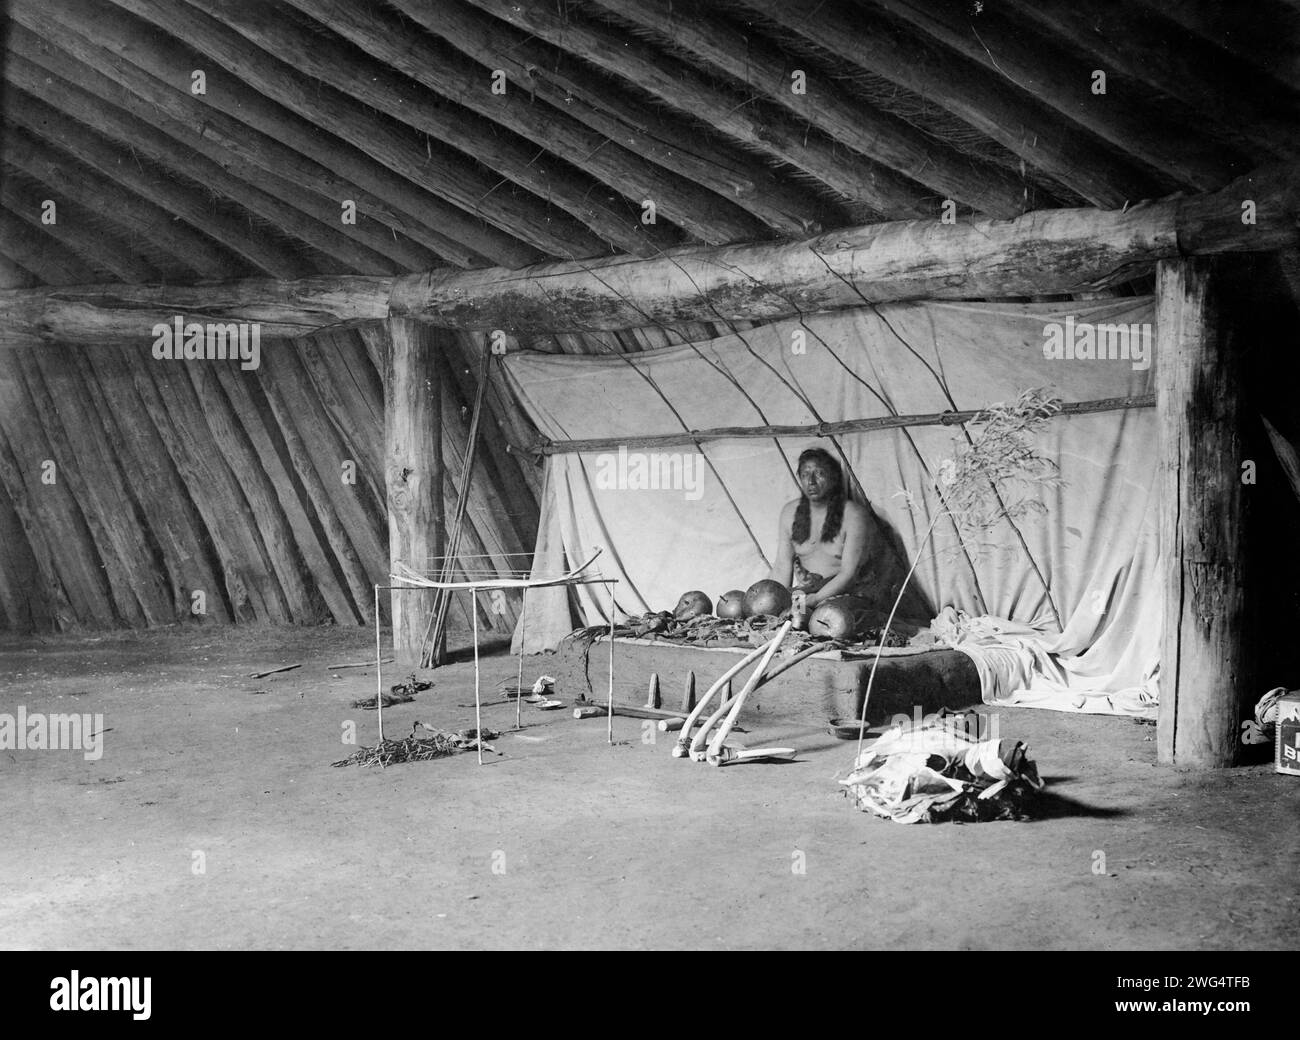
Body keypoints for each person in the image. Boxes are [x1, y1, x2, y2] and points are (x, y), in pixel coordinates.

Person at [767, 447, 897, 619]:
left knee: (826, 619)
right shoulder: (789, 513)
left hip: (851, 593)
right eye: (805, 475)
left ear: (833, 477)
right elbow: (782, 566)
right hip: (807, 593)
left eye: (819, 474)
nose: (811, 482)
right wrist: (776, 603)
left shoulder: (853, 515)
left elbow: (848, 574)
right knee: (780, 616)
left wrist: (815, 599)